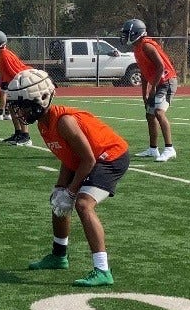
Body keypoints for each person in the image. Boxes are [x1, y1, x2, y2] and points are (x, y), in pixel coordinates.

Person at [7, 69, 129, 287]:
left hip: (110, 156)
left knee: (83, 204)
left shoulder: (64, 121)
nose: (19, 111)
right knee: (58, 199)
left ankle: (102, 270)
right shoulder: (44, 123)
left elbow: (88, 160)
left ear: (41, 99)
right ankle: (59, 255)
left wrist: (72, 191)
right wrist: (62, 188)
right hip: (89, 157)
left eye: (23, 105)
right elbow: (70, 156)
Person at [121, 18, 178, 162]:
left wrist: (153, 87)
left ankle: (169, 148)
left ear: (135, 33)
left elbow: (160, 67)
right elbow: (145, 72)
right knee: (149, 114)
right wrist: (144, 94)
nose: (124, 35)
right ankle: (153, 149)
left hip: (167, 81)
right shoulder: (137, 48)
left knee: (159, 112)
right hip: (157, 82)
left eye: (127, 33)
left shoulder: (147, 46)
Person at [0, 29, 32, 146]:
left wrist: (17, 87)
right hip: (14, 81)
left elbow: (16, 72)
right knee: (12, 107)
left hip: (21, 80)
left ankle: (26, 136)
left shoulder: (4, 54)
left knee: (19, 108)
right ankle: (18, 133)